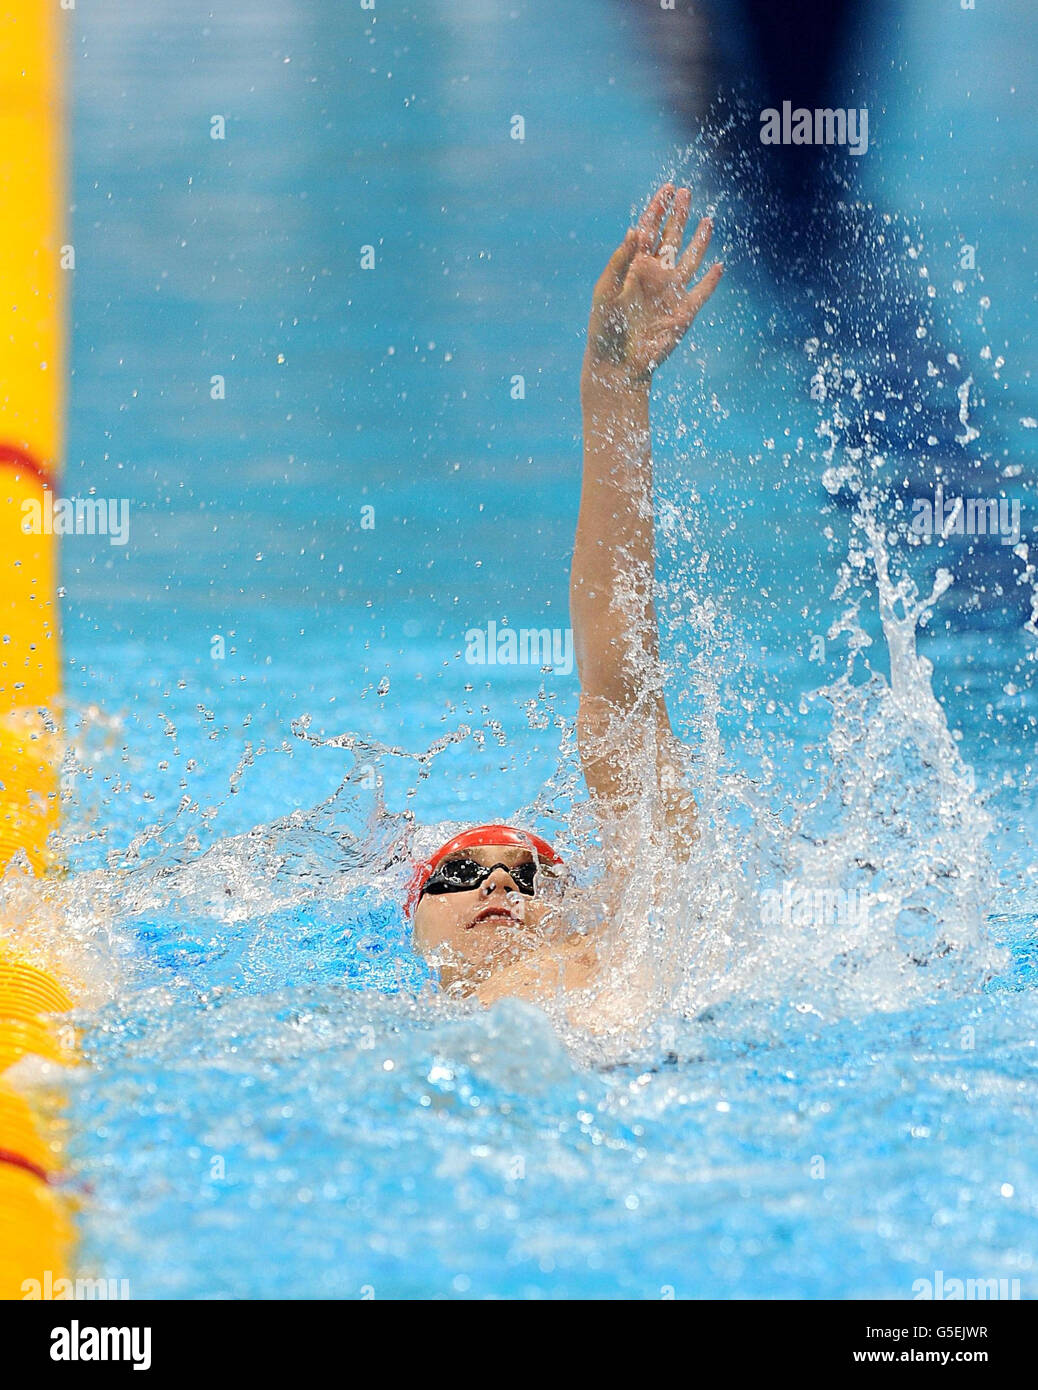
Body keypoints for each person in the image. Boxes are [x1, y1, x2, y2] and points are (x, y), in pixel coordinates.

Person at [408, 183, 723, 1009]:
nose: (500, 887)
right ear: (410, 920)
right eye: (462, 872)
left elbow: (619, 683)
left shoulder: (632, 945)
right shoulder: (392, 1035)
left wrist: (615, 384)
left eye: (530, 875)